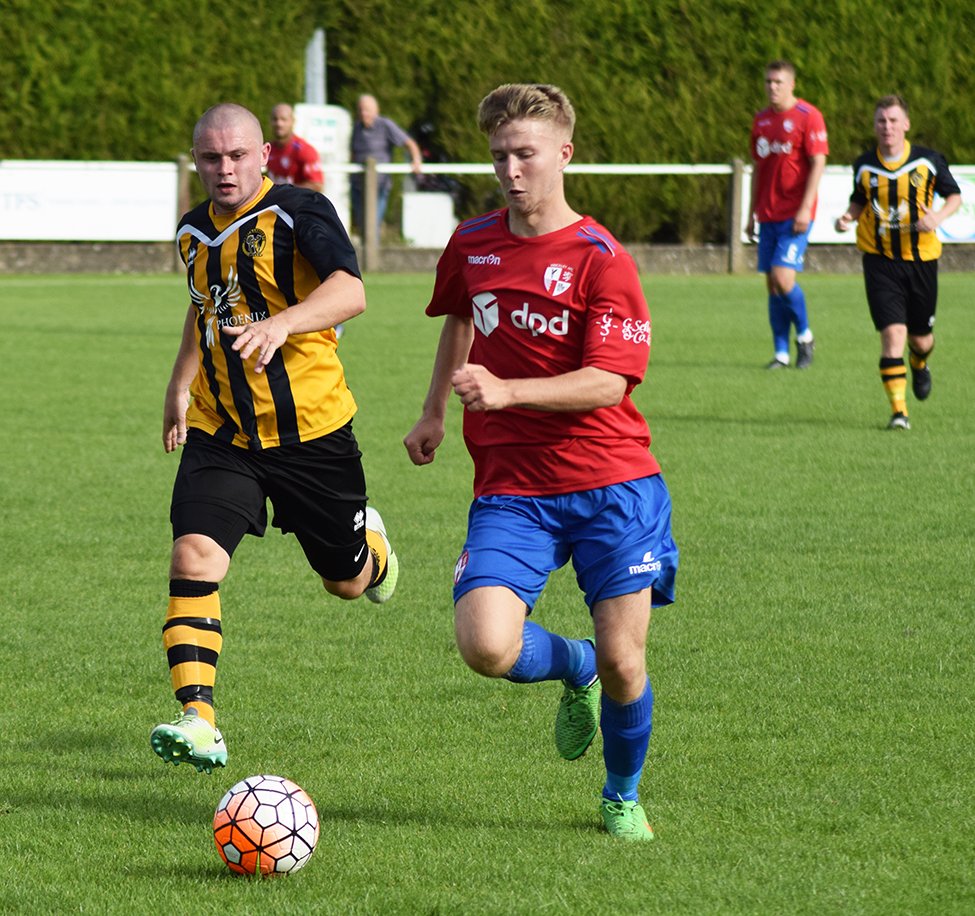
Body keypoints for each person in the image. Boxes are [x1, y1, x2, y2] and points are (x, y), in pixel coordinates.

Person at [403, 84, 678, 841]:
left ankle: (620, 793)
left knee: (630, 664)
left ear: (564, 152)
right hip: (511, 488)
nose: (510, 170)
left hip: (611, 484)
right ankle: (572, 666)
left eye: (525, 153)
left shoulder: (601, 260)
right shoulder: (473, 242)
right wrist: (433, 410)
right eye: (498, 156)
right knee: (485, 645)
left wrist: (507, 389)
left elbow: (610, 381)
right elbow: (461, 315)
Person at [150, 102, 399, 774]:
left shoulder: (299, 212)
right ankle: (198, 720)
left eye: (236, 156)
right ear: (196, 160)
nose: (223, 169)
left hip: (313, 433)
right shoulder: (193, 230)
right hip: (222, 430)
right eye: (210, 158)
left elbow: (351, 291)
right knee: (194, 554)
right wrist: (181, 382)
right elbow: (204, 307)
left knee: (345, 583)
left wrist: (284, 324)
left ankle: (373, 551)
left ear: (263, 154)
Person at [834, 94, 961, 430]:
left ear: (906, 124)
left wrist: (937, 216)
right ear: (874, 125)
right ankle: (899, 413)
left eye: (892, 120)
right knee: (892, 334)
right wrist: (847, 217)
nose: (886, 127)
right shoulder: (864, 164)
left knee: (920, 340)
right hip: (880, 262)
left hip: (921, 261)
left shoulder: (928, 161)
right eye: (880, 121)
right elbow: (860, 198)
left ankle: (920, 364)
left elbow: (955, 196)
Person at [746, 59, 829, 369]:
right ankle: (781, 353)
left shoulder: (809, 116)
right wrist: (751, 212)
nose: (772, 87)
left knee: (783, 277)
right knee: (772, 284)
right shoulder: (761, 120)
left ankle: (805, 336)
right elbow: (758, 167)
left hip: (795, 215)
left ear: (792, 84)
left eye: (778, 82)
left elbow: (818, 163)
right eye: (768, 82)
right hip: (766, 214)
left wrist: (806, 208)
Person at [350, 94, 422, 236]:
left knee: (373, 225)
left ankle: (373, 257)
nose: (364, 114)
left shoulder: (385, 125)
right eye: (361, 110)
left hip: (379, 186)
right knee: (362, 226)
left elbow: (409, 143)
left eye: (367, 110)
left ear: (376, 111)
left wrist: (416, 159)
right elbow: (353, 152)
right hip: (358, 186)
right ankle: (365, 257)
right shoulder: (356, 127)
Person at [267, 102, 325, 193]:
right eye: (275, 119)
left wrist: (285, 191)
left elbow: (317, 185)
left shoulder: (305, 150)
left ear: (292, 121)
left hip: (299, 204)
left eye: (283, 119)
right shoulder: (268, 150)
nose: (279, 124)